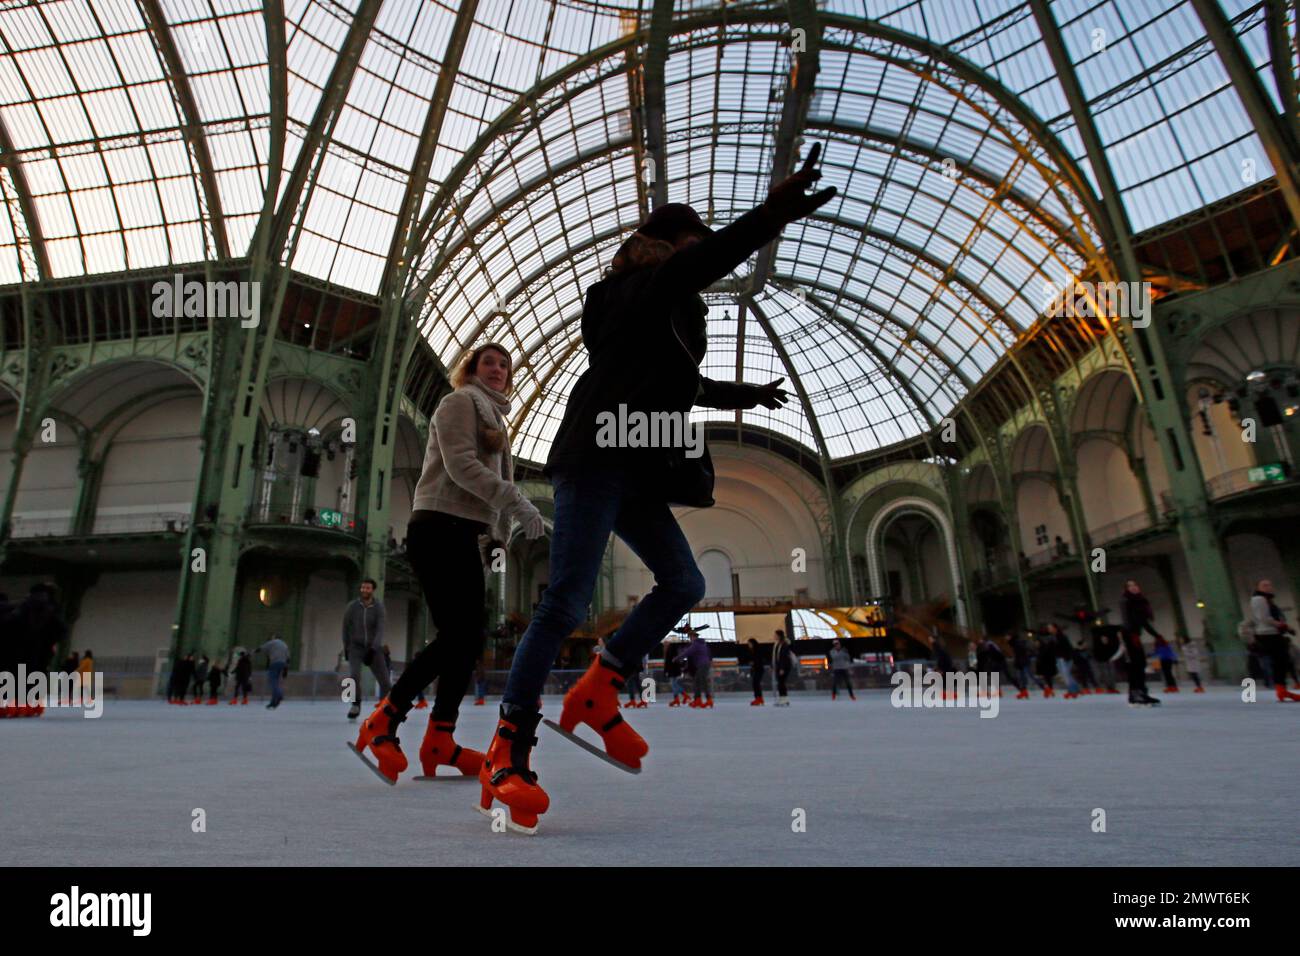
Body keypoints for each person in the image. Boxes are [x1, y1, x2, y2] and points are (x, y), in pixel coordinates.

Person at [477, 147, 835, 832]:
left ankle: (597, 691)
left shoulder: (662, 314)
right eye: (693, 247)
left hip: (636, 467)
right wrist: (770, 214)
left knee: (684, 582)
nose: (700, 262)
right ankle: (508, 748)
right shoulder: (630, 292)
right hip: (591, 457)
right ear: (667, 247)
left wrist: (747, 397)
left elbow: (686, 385)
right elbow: (695, 268)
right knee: (566, 601)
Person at [353, 342, 545, 784]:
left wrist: (495, 537)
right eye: (488, 362)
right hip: (437, 526)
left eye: (504, 364)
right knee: (459, 634)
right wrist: (517, 504)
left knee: (467, 638)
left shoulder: (496, 418)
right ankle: (385, 719)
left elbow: (484, 485)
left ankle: (440, 737)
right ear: (471, 369)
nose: (497, 369)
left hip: (463, 532)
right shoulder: (459, 402)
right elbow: (460, 466)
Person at [341, 578, 391, 720]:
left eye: (367, 588)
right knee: (353, 676)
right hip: (355, 647)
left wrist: (374, 648)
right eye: (363, 588)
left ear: (372, 590)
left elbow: (380, 629)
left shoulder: (379, 607)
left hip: (373, 648)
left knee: (385, 681)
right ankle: (355, 704)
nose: (364, 590)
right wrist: (346, 647)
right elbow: (345, 628)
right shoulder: (352, 606)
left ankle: (387, 707)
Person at [1250, 579, 1300, 702]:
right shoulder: (1259, 599)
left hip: (1273, 633)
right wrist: (1282, 625)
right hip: (1268, 634)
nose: (1268, 587)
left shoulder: (1267, 599)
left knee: (1282, 662)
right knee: (1279, 661)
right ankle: (1281, 690)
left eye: (1269, 585)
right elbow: (1264, 618)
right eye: (1264, 585)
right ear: (1258, 587)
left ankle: (1281, 690)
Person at [1120, 580, 1161, 707]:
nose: (1134, 587)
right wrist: (1132, 633)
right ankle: (1135, 693)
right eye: (1130, 586)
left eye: (1135, 585)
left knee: (1141, 663)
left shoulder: (1140, 601)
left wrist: (1157, 635)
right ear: (1126, 589)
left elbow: (1144, 622)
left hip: (1135, 635)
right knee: (1135, 665)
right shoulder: (1126, 601)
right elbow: (1127, 618)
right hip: (1129, 635)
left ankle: (1142, 691)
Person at [679, 629, 714, 708]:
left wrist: (678, 658)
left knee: (701, 682)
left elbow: (687, 652)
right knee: (697, 681)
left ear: (694, 637)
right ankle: (698, 700)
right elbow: (708, 654)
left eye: (691, 637)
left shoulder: (696, 644)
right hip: (702, 665)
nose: (690, 639)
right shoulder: (703, 644)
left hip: (702, 665)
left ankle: (707, 700)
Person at [256, 634, 290, 709]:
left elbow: (263, 647)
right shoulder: (285, 645)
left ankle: (279, 695)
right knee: (276, 682)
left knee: (273, 682)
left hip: (274, 663)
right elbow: (288, 657)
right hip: (283, 664)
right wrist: (286, 669)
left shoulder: (273, 642)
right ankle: (273, 702)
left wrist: (254, 651)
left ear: (275, 638)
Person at [1091, 624, 1121, 693]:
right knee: (1106, 673)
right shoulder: (1099, 647)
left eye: (1106, 639)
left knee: (1112, 673)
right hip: (1103, 660)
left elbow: (1112, 651)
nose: (1105, 640)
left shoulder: (1109, 645)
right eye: (1103, 639)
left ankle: (1112, 687)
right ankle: (1109, 687)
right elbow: (1097, 654)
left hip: (1109, 660)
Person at [772, 629, 797, 706]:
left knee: (781, 683)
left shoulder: (784, 644)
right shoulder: (777, 644)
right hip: (779, 666)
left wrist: (782, 668)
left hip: (784, 667)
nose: (774, 636)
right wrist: (772, 666)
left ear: (779, 636)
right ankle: (782, 699)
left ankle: (784, 699)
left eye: (775, 635)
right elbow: (775, 657)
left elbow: (784, 657)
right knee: (780, 683)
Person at [1008, 631, 1035, 699]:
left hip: (1022, 662)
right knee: (1021, 678)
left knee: (1027, 677)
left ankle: (1044, 688)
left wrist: (1019, 661)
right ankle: (1024, 692)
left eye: (1008, 636)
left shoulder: (1017, 643)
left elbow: (1020, 653)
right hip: (1021, 662)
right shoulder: (1014, 643)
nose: (1006, 638)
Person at [1033, 629, 1058, 698]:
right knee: (1046, 679)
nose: (1035, 644)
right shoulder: (1039, 649)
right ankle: (1049, 690)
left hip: (1046, 666)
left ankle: (1049, 690)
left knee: (1047, 678)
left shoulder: (1044, 649)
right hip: (1043, 667)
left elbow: (1044, 658)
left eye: (1036, 642)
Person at [746, 638, 766, 706]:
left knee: (756, 684)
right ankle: (758, 698)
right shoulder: (752, 651)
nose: (748, 645)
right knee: (755, 684)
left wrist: (753, 663)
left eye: (749, 644)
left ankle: (759, 699)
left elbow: (759, 660)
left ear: (752, 643)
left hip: (758, 669)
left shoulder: (757, 651)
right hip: (755, 670)